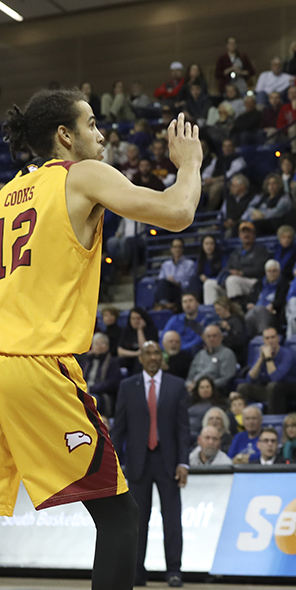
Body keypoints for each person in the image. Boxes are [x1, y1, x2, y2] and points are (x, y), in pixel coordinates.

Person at [0, 90, 202, 589]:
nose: (102, 133)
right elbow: (176, 213)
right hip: (35, 363)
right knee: (119, 514)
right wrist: (190, 164)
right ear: (65, 136)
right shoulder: (80, 174)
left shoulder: (6, 195)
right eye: (92, 124)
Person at [111, 341, 191, 588]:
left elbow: (183, 428)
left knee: (172, 518)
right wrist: (113, 464)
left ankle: (174, 570)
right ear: (141, 358)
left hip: (168, 462)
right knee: (137, 520)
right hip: (138, 464)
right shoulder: (127, 386)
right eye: (148, 353)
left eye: (157, 352)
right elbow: (120, 429)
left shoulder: (177, 385)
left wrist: (183, 463)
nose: (153, 357)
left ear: (161, 357)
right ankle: (136, 571)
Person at [237, 327, 296, 413]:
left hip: (288, 389)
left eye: (272, 337)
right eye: (267, 338)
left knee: (273, 386)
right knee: (242, 387)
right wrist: (260, 359)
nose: (270, 341)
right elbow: (250, 379)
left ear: (278, 338)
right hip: (269, 390)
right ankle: (245, 418)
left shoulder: (287, 354)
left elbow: (276, 377)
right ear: (263, 340)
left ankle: (273, 419)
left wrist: (268, 358)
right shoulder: (260, 354)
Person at [79, 332, 122, 413]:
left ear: (107, 345)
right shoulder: (87, 361)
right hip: (84, 391)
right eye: (96, 344)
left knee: (88, 400)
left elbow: (113, 383)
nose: (99, 346)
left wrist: (91, 389)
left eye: (102, 343)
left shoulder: (113, 362)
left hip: (101, 395)